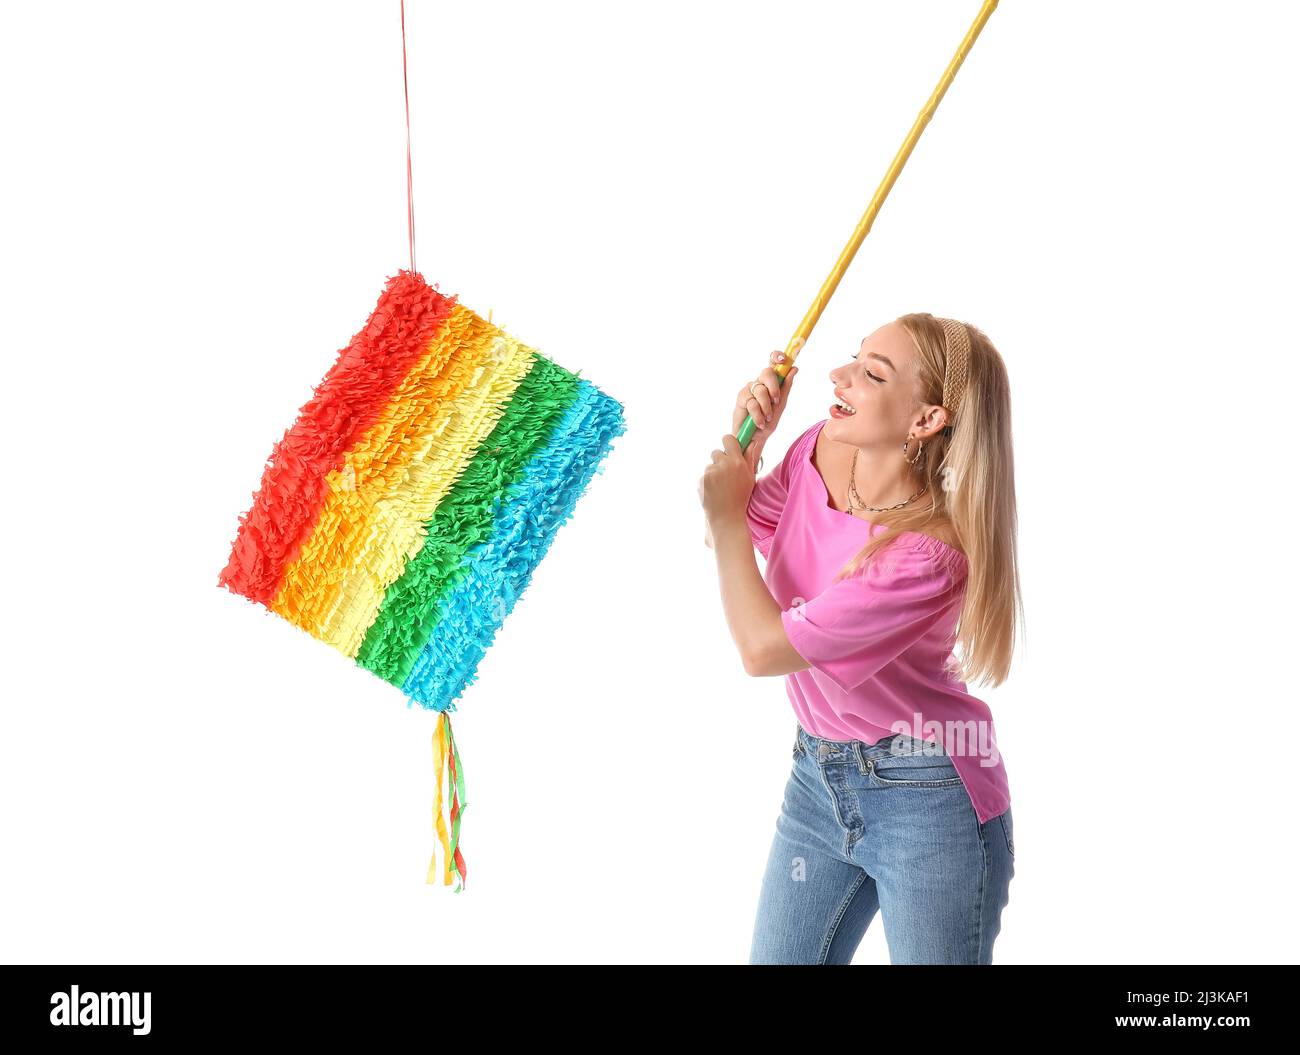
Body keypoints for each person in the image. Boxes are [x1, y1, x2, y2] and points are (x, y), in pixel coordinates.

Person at [698, 314, 1021, 964]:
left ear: (926, 419)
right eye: (855, 358)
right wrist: (753, 442)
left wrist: (725, 513)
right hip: (819, 777)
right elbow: (735, 540)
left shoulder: (929, 554)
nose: (839, 376)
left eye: (873, 374)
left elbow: (763, 648)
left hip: (929, 799)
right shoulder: (821, 447)